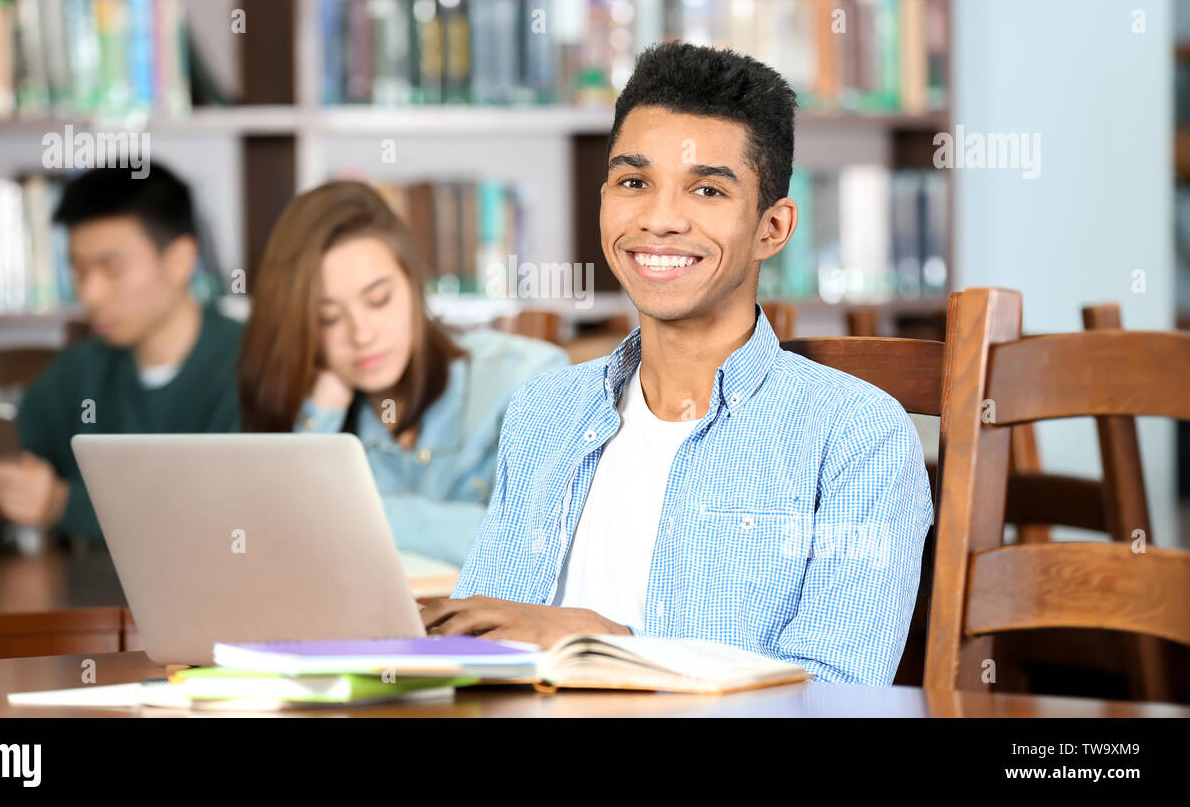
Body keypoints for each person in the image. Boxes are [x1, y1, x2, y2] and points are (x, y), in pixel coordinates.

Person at [422, 41, 933, 684]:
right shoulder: (543, 411)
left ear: (771, 228)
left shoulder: (858, 436)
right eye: (634, 182)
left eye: (708, 189)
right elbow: (484, 636)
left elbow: (838, 693)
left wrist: (607, 644)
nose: (659, 220)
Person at [238, 180, 568, 566]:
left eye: (379, 300)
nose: (361, 334)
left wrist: (350, 513)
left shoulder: (530, 379)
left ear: (415, 285)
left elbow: (534, 543)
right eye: (326, 317)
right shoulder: (326, 409)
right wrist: (320, 412)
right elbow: (274, 536)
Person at [0, 162, 243, 542]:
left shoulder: (251, 365)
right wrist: (0, 492)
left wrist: (62, 505)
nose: (90, 293)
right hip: (84, 599)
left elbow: (224, 522)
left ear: (181, 259)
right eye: (79, 271)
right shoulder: (76, 372)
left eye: (112, 269)